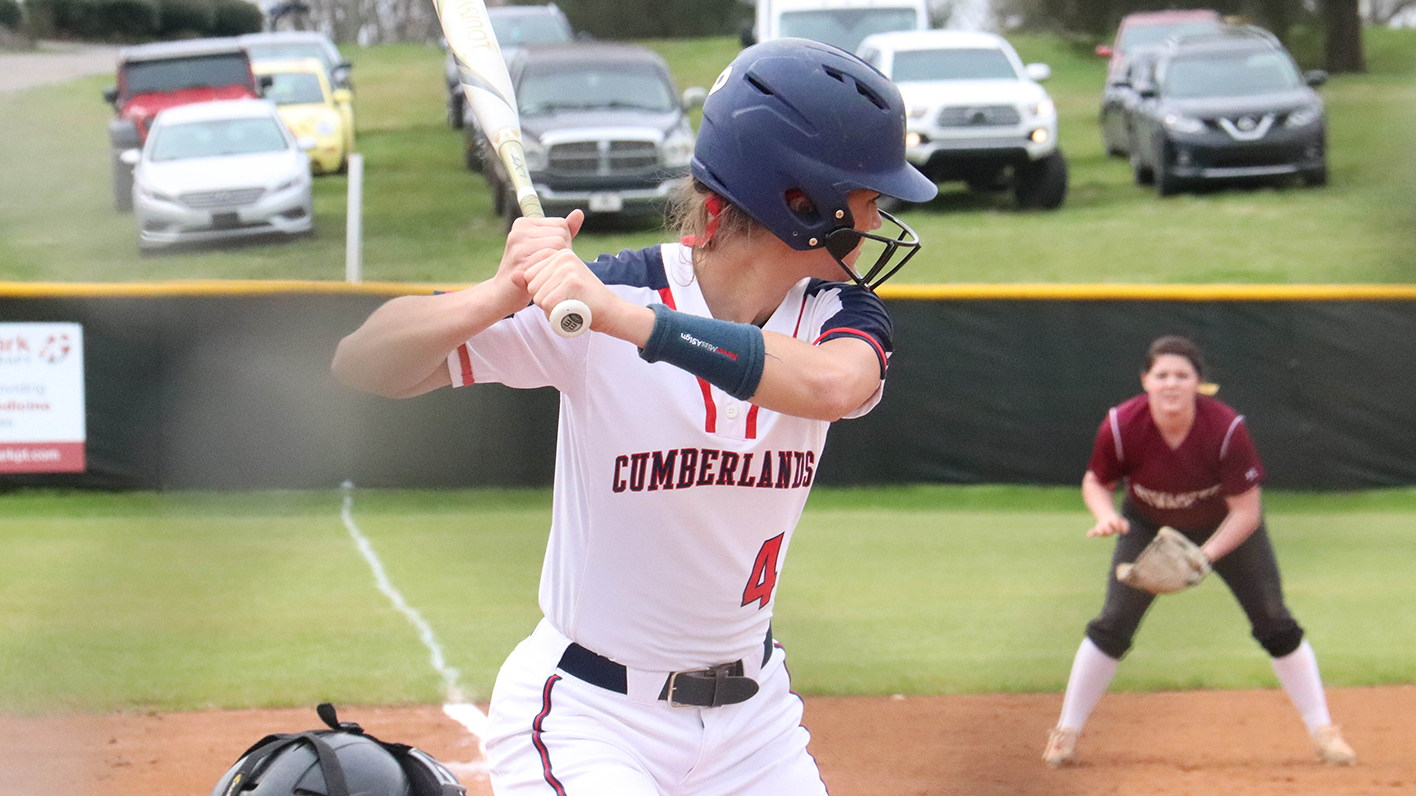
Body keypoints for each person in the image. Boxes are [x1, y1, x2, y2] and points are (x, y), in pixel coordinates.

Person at [332, 38, 937, 796]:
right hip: (590, 715)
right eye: (867, 195)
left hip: (756, 725)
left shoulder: (833, 313)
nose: (879, 215)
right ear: (798, 201)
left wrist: (630, 322)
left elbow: (835, 387)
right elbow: (363, 362)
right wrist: (500, 290)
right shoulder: (609, 292)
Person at [1042, 335, 1356, 767]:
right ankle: (1065, 734)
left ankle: (1324, 732)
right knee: (1113, 624)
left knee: (1274, 621)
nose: (1171, 384)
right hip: (1147, 524)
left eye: (1182, 375)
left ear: (1198, 383)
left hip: (1224, 526)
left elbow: (1246, 511)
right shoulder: (1121, 424)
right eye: (1162, 375)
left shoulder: (1225, 429)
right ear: (1145, 380)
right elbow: (1097, 480)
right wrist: (1105, 515)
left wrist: (1203, 557)